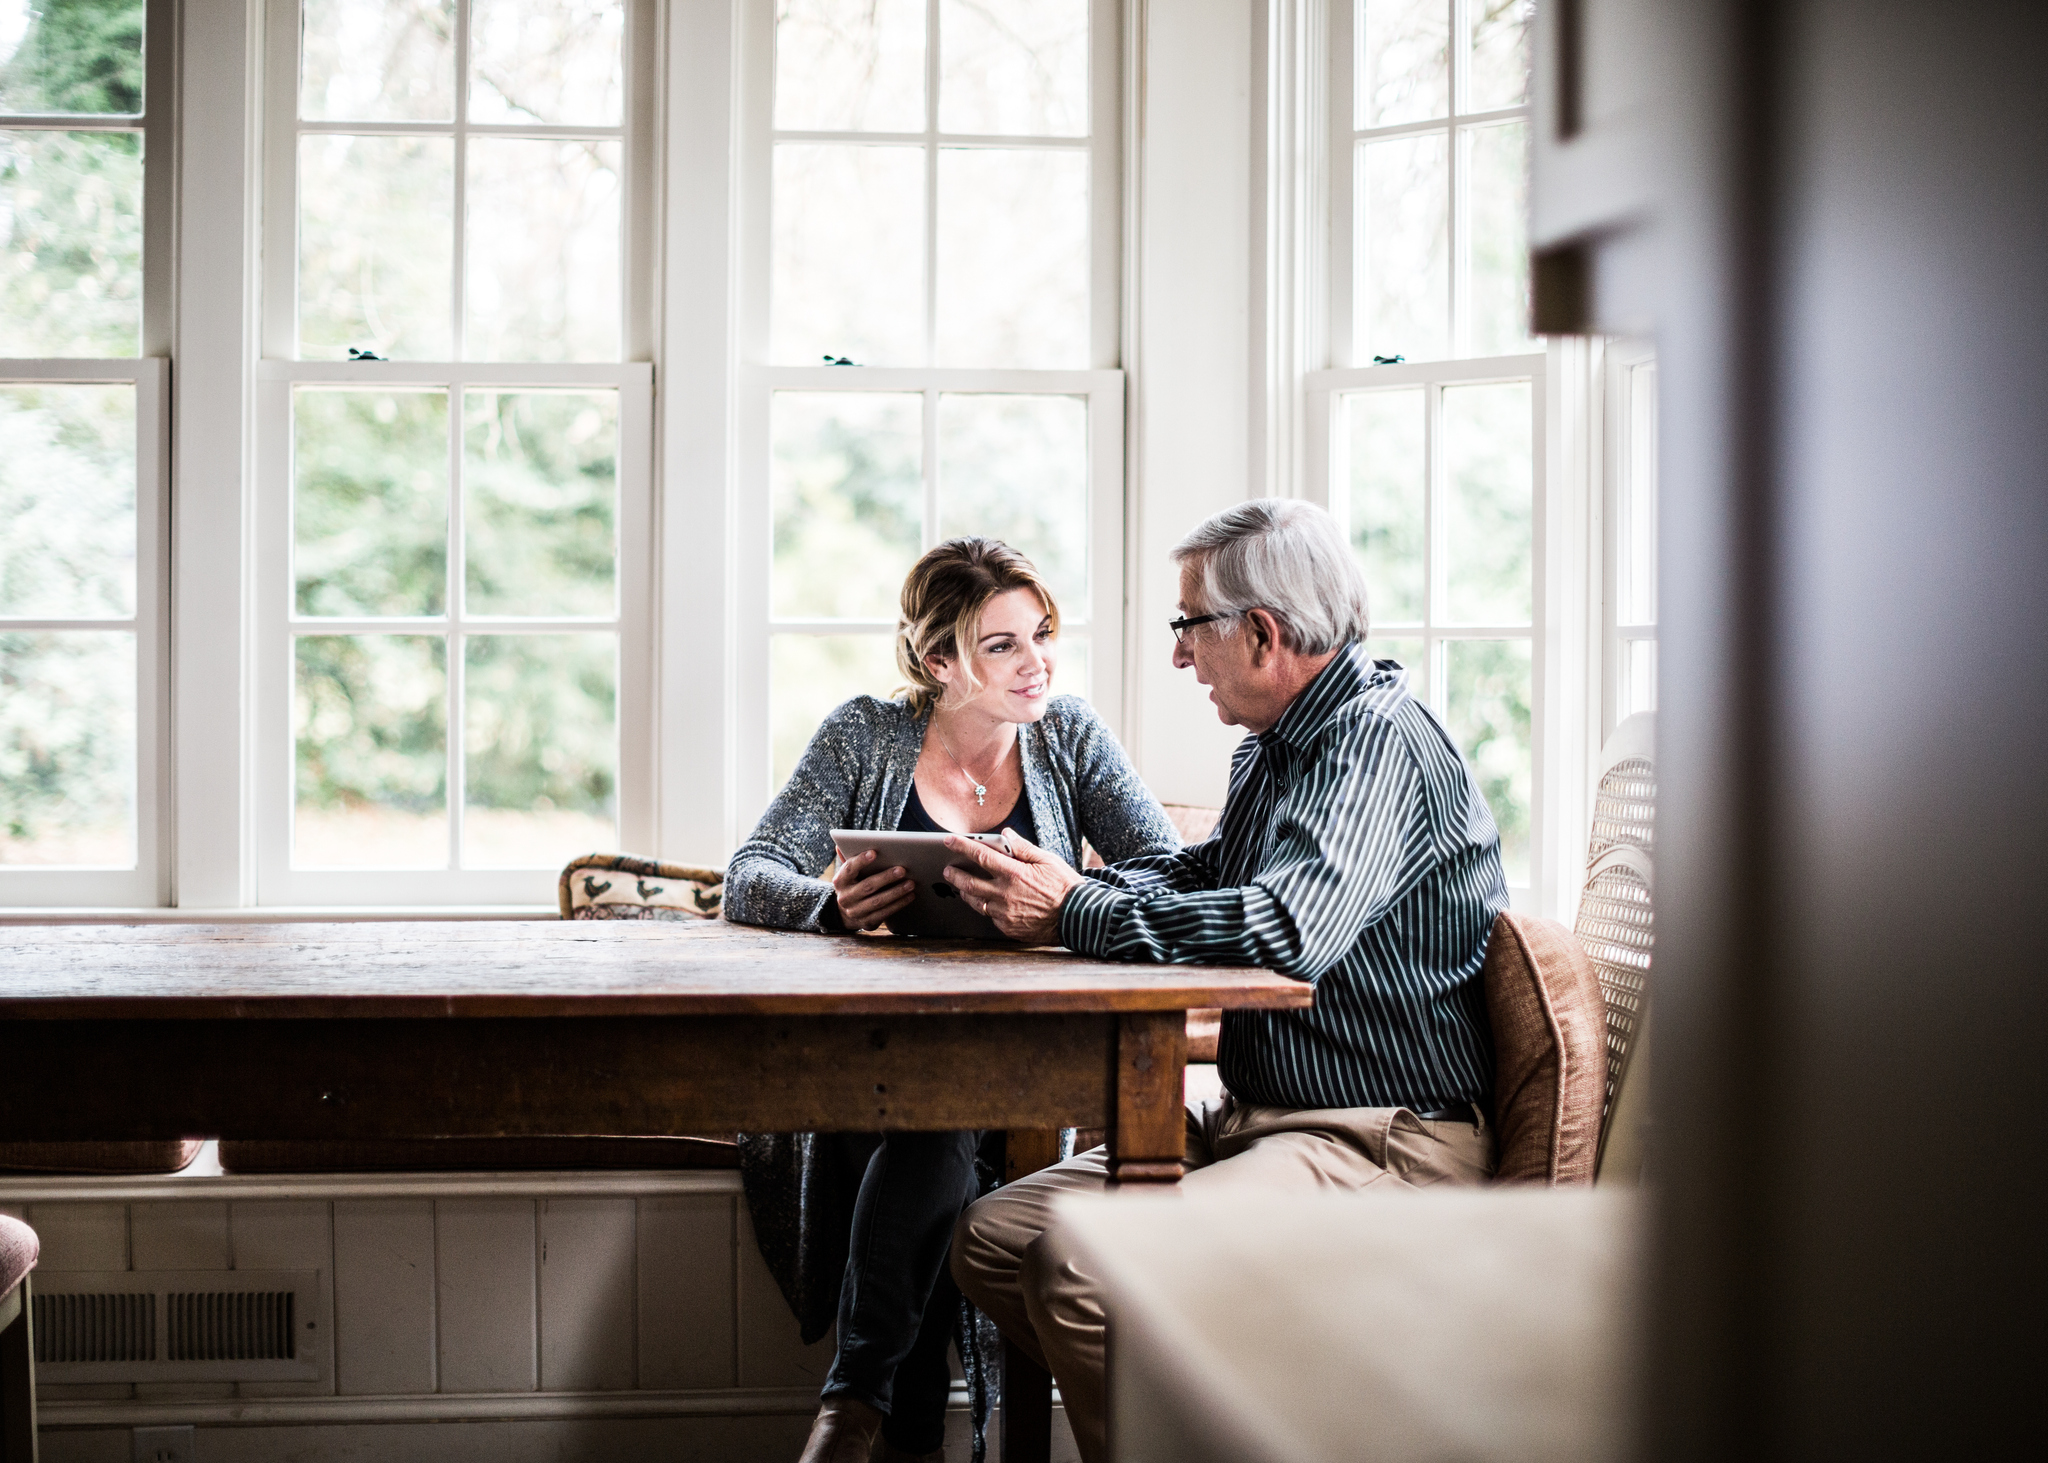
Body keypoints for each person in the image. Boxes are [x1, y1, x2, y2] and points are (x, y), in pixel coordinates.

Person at [938, 500, 1508, 1463]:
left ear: (1262, 632)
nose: (1178, 655)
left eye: (1187, 626)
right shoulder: (1274, 748)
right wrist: (1057, 884)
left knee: (1081, 1268)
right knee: (994, 1237)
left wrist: (1073, 912)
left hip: (1384, 1134)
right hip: (1260, 1115)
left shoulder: (1372, 741)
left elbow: (1286, 929)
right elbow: (1207, 874)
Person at [723, 537, 1180, 1463]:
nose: (1038, 661)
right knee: (936, 1134)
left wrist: (1069, 901)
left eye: (1042, 634)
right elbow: (748, 876)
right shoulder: (866, 733)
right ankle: (890, 1426)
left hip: (1017, 1061)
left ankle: (856, 1408)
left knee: (940, 1123)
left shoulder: (1072, 737)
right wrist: (830, 904)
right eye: (1003, 643)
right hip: (873, 1059)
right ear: (940, 660)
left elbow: (1170, 876)